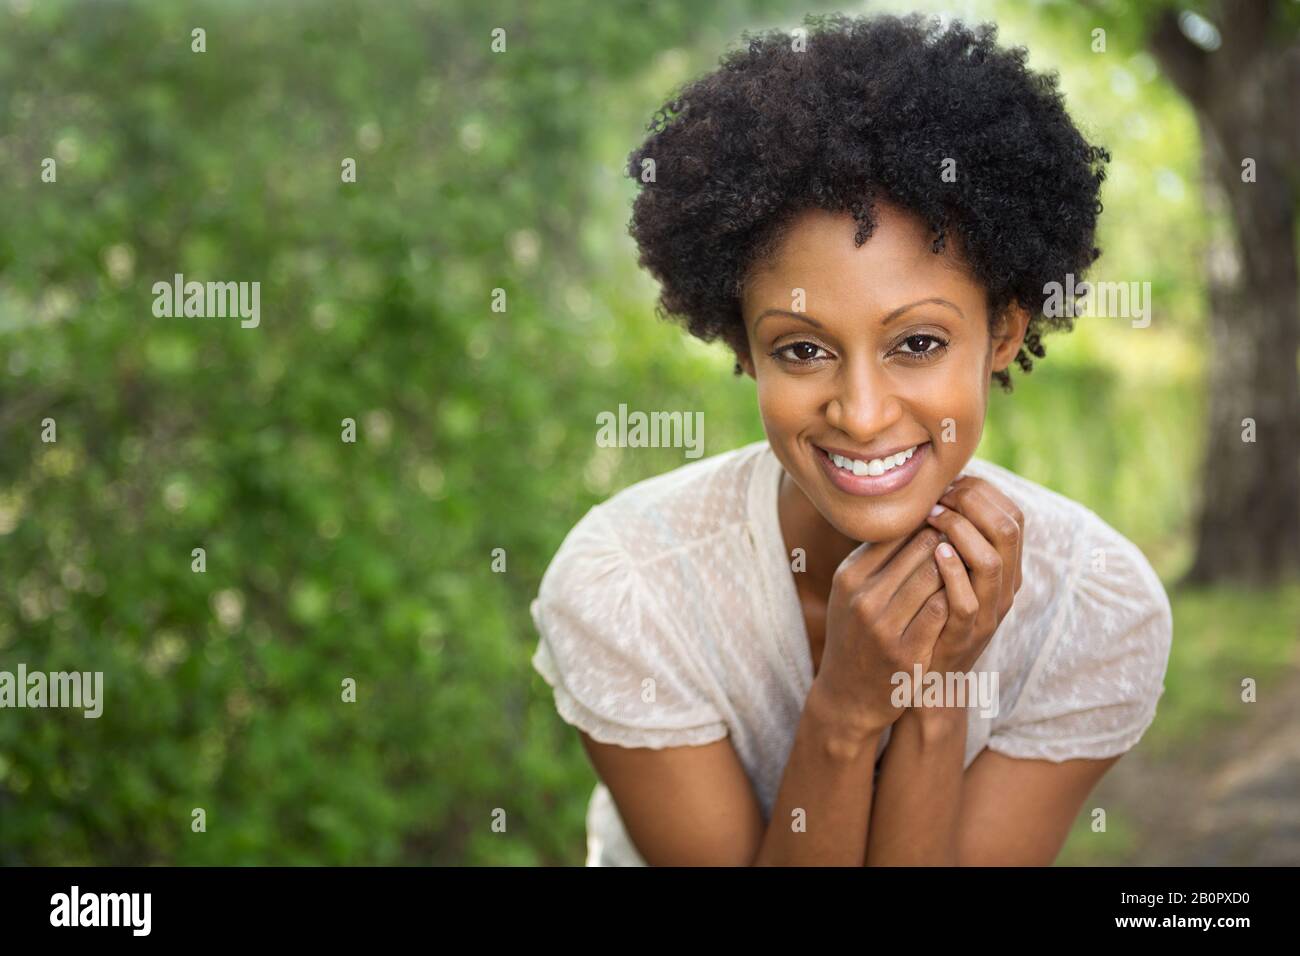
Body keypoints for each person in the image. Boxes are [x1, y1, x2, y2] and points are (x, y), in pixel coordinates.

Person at [529, 12, 1172, 866]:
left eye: (918, 343)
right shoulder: (630, 591)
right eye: (802, 349)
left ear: (1006, 333)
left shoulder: (1094, 611)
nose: (862, 414)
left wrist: (939, 682)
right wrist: (847, 710)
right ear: (743, 349)